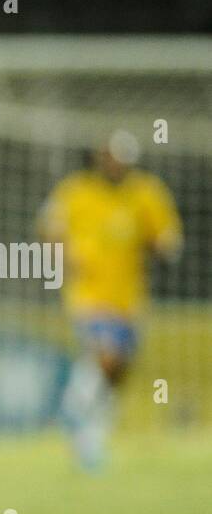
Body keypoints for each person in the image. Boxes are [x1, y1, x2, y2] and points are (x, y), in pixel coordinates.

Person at [40, 130, 182, 469]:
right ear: (100, 157)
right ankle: (73, 407)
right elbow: (49, 228)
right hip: (88, 293)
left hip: (129, 298)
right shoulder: (76, 191)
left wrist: (158, 245)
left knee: (115, 374)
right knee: (106, 354)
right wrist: (61, 257)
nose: (115, 164)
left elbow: (168, 240)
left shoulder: (146, 193)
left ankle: (89, 442)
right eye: (110, 157)